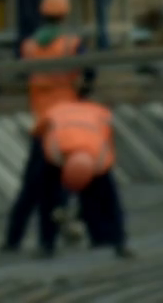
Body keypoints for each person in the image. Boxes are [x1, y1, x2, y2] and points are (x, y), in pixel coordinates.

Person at [2, 0, 94, 256]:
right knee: (61, 185)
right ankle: (49, 241)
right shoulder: (73, 44)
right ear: (65, 15)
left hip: (41, 123)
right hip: (66, 125)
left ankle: (13, 238)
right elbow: (90, 73)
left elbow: (22, 74)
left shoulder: (29, 46)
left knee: (32, 184)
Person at [40, 98, 131, 258]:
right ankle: (48, 243)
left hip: (86, 133)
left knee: (107, 199)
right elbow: (40, 130)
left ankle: (114, 240)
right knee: (50, 198)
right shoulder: (53, 152)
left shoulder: (102, 160)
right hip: (63, 129)